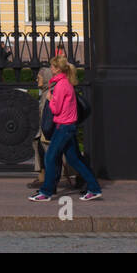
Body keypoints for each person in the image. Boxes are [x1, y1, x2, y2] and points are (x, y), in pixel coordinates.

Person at [29, 55, 102, 201]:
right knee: (75, 160)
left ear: (57, 69)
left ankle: (46, 192)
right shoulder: (64, 83)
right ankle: (94, 188)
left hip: (63, 127)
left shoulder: (62, 85)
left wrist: (50, 99)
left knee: (50, 158)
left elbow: (56, 109)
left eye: (52, 66)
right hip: (67, 127)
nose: (50, 68)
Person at [29, 66, 77, 191]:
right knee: (50, 156)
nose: (36, 79)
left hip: (51, 131)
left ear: (46, 78)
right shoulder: (47, 92)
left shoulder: (51, 92)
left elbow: (53, 112)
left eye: (39, 77)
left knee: (54, 158)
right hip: (48, 131)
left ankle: (52, 184)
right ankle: (46, 181)